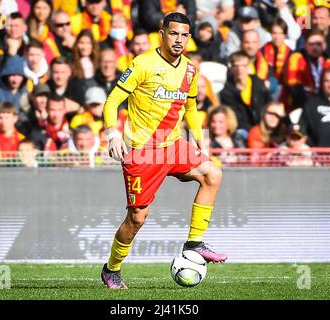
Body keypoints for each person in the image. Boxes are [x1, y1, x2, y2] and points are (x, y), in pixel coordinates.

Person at [101, 12, 227, 290]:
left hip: (172, 144)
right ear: (162, 33)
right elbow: (112, 101)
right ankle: (112, 269)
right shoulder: (143, 63)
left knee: (213, 175)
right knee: (137, 219)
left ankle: (194, 243)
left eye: (184, 34)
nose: (179, 39)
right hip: (142, 152)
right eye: (174, 33)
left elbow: (191, 109)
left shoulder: (191, 70)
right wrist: (112, 134)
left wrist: (202, 143)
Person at [220, 51, 272, 138]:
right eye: (236, 66)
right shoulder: (226, 92)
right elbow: (234, 118)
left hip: (264, 127)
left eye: (243, 65)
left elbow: (269, 105)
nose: (240, 69)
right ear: (231, 68)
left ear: (249, 67)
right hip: (242, 130)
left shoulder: (260, 85)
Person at [282, 29, 330, 113]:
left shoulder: (329, 63)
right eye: (311, 44)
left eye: (318, 44)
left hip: (324, 108)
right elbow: (295, 89)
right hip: (298, 108)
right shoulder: (296, 58)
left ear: (324, 45)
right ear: (305, 45)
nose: (315, 47)